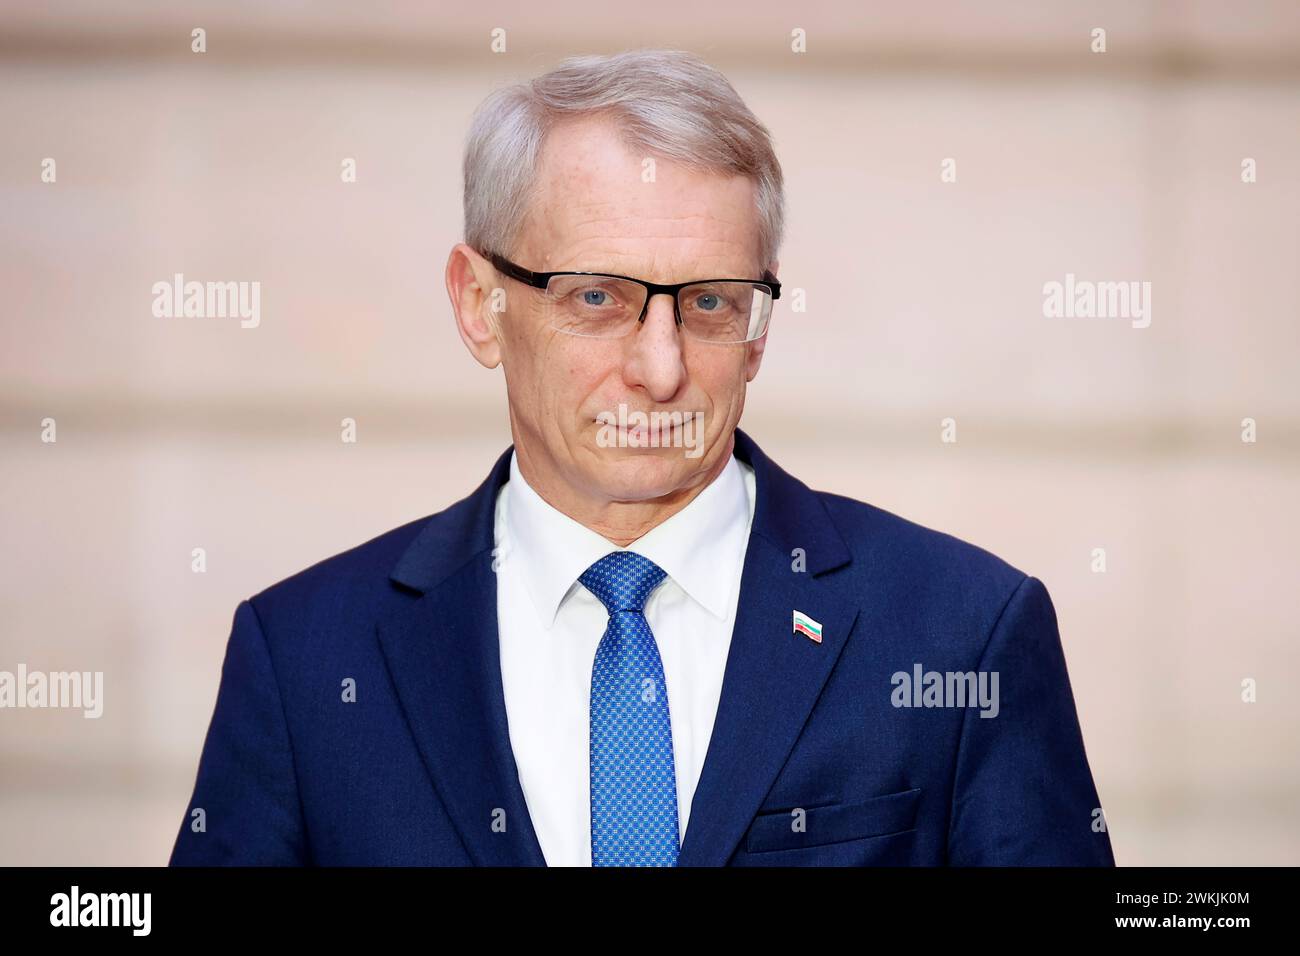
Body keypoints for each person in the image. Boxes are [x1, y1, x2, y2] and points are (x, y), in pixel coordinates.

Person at [170, 49, 1113, 866]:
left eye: (709, 302)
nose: (660, 370)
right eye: (597, 298)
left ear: (757, 331)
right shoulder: (304, 658)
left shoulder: (961, 630)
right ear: (477, 304)